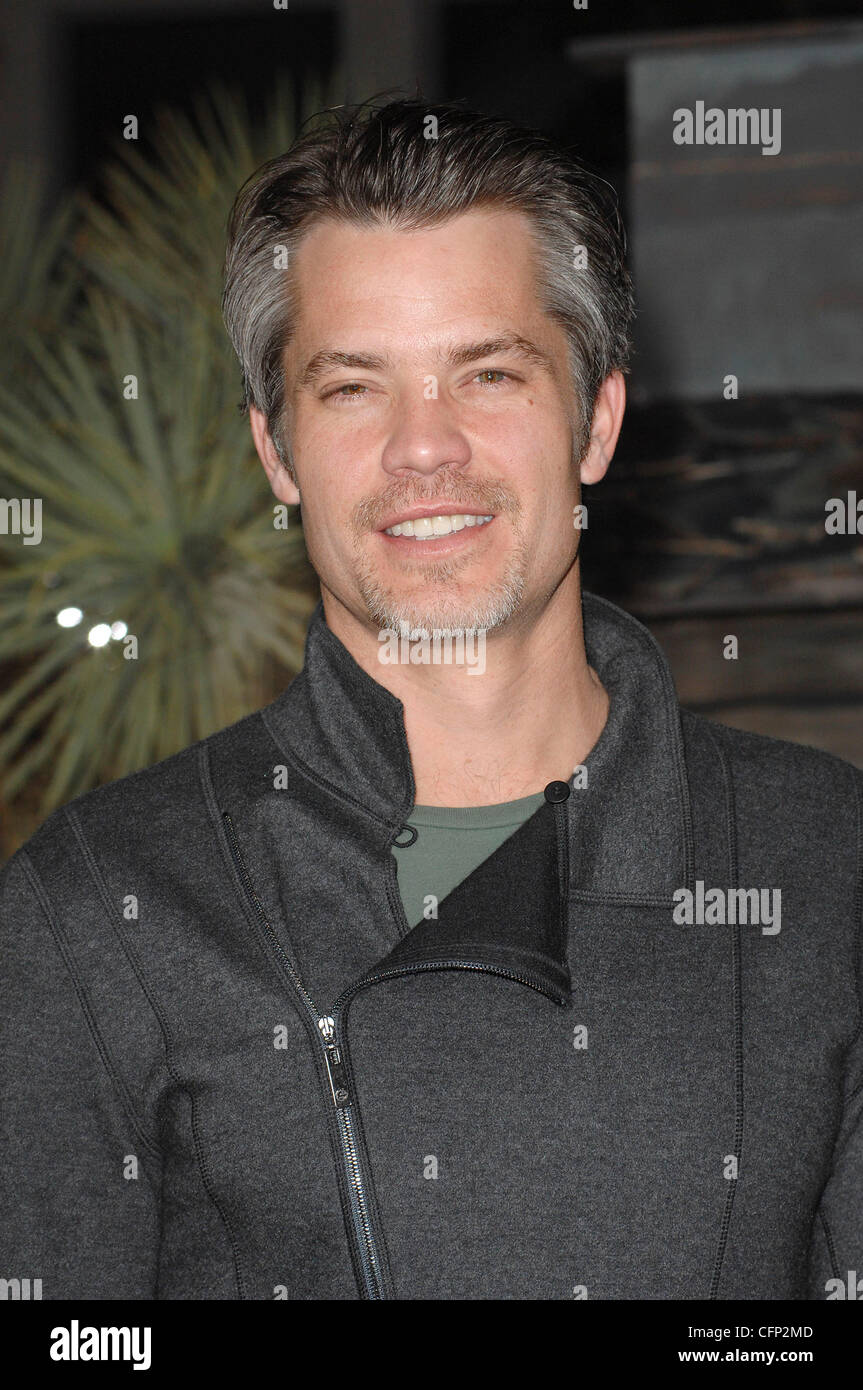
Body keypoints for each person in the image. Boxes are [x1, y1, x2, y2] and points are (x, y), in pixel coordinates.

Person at [1, 99, 860, 1301]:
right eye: (354, 388)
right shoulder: (97, 905)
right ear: (278, 455)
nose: (425, 448)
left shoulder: (822, 859)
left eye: (488, 373)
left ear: (595, 420)